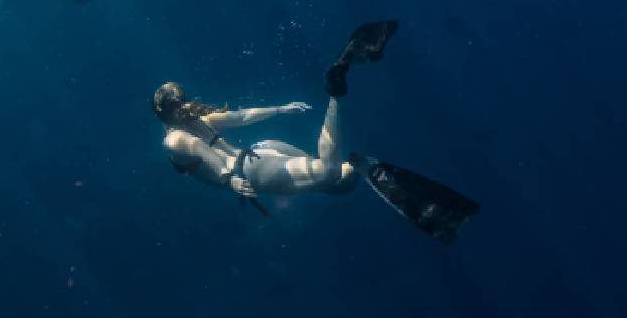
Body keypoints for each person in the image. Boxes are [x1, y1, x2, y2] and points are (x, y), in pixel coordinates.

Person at [155, 20, 480, 242]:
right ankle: (363, 164)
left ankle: (335, 91)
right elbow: (242, 117)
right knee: (341, 181)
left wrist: (230, 179)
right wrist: (280, 108)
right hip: (262, 149)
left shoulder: (175, 138)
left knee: (324, 172)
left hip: (251, 170)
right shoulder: (195, 123)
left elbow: (204, 154)